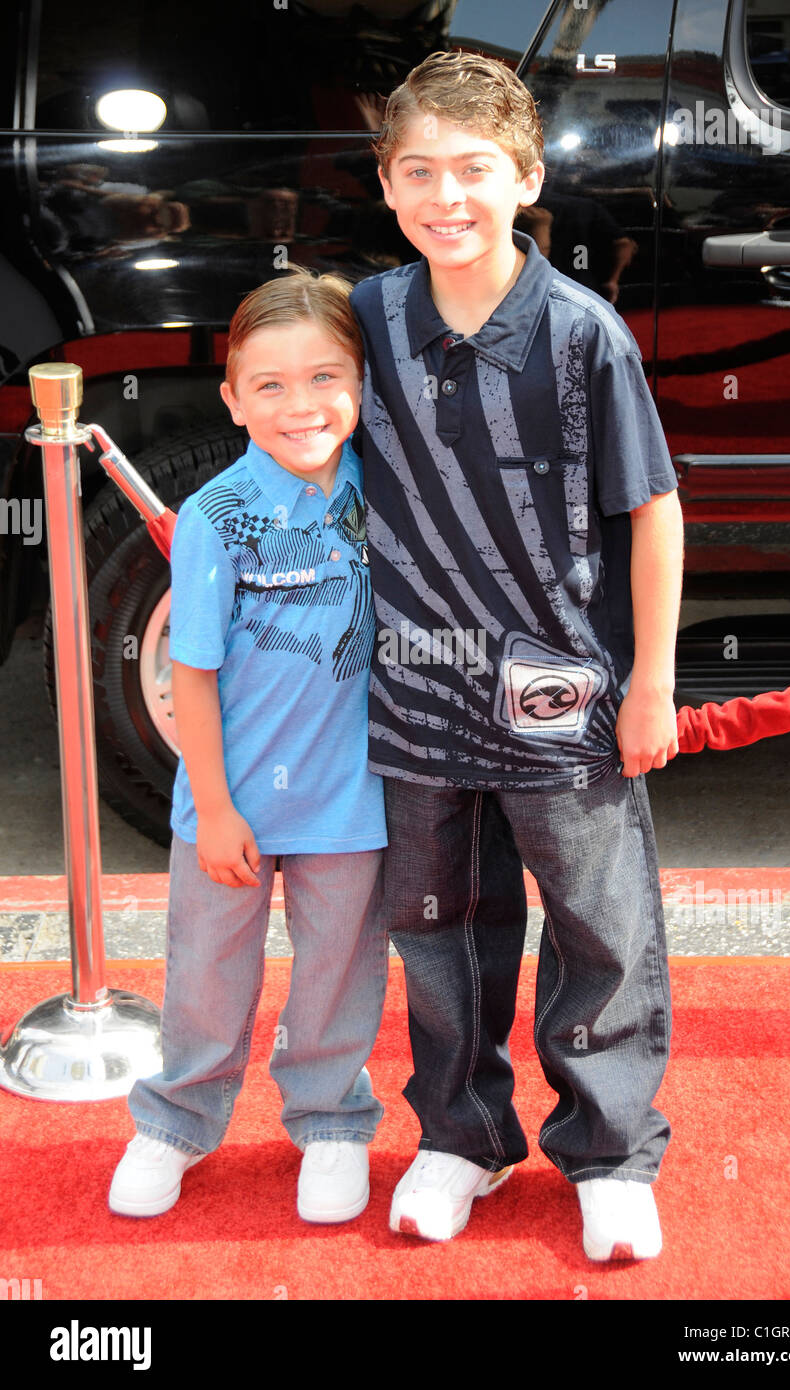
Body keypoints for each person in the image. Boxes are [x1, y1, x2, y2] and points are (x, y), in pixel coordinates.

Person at [350, 50, 684, 1259]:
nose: (447, 194)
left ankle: (606, 1148)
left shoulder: (584, 336)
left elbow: (652, 508)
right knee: (437, 921)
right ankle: (460, 1136)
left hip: (563, 695)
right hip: (417, 695)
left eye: (474, 169)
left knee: (597, 922)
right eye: (419, 170)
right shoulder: (369, 317)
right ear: (387, 184)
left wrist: (649, 680)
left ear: (527, 175)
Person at [108, 270, 388, 1224]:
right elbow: (190, 670)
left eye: (323, 377)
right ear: (230, 398)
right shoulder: (214, 519)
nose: (299, 404)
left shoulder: (388, 499)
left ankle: (330, 1118)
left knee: (339, 969)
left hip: (352, 799)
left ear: (360, 383)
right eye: (268, 385)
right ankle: (178, 1118)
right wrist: (217, 804)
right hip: (225, 802)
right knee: (205, 967)